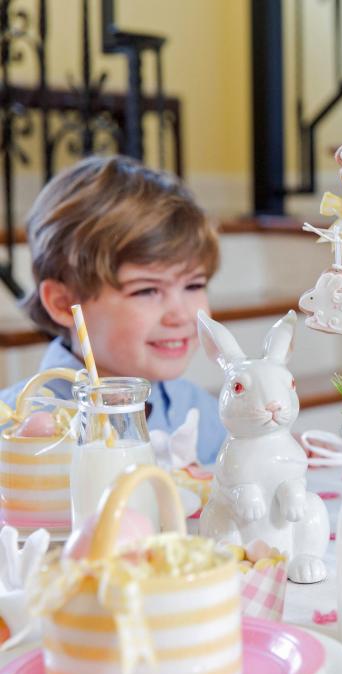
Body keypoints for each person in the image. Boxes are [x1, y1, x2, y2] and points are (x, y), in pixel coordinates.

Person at [0, 155, 226, 464]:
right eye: (147, 290)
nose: (182, 315)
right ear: (63, 304)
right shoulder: (14, 429)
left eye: (194, 285)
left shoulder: (202, 412)